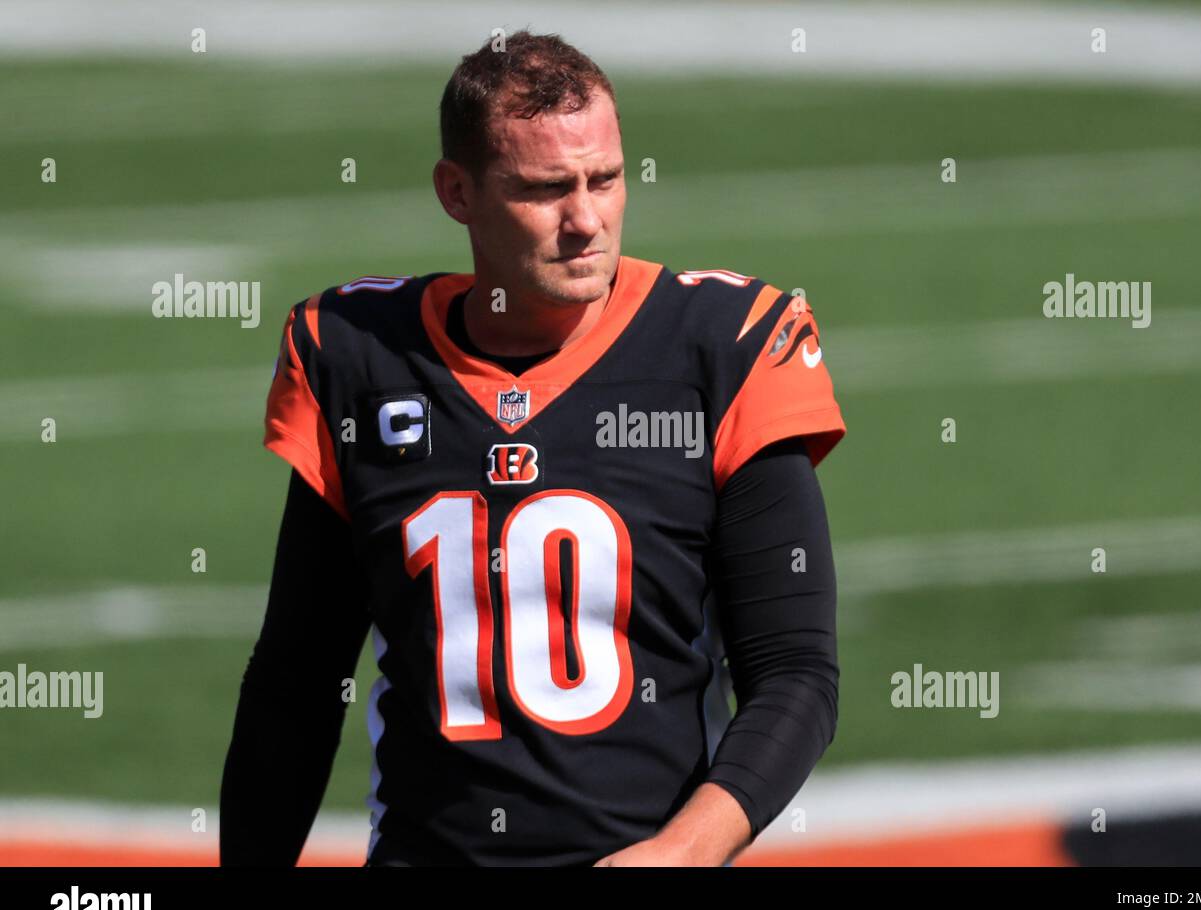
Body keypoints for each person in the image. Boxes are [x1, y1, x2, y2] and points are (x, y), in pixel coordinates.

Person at [220, 30, 846, 867]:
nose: (586, 219)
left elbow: (797, 675)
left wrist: (684, 852)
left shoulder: (724, 348)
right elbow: (296, 681)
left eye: (606, 179)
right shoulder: (356, 358)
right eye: (546, 189)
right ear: (457, 193)